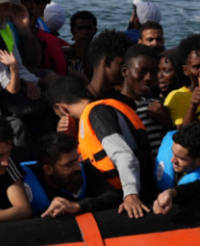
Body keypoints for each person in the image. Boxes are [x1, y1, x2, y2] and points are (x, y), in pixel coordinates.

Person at [45, 77, 150, 219]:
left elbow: (123, 155)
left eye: (59, 115)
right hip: (119, 196)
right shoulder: (95, 114)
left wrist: (131, 194)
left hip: (134, 200)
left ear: (62, 108)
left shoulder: (98, 114)